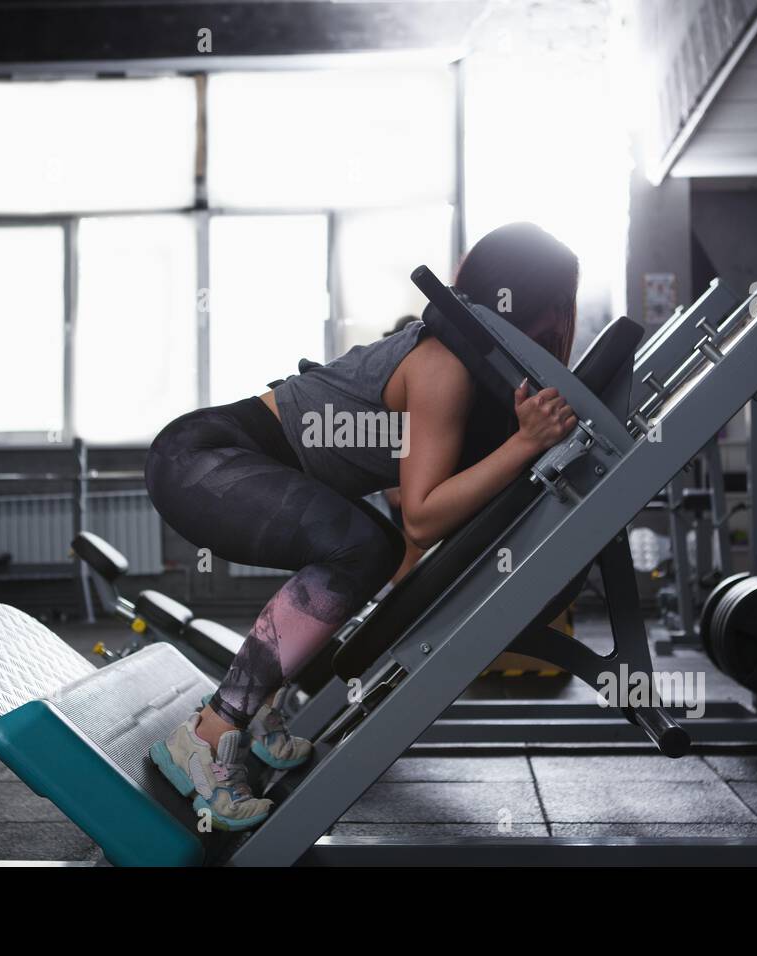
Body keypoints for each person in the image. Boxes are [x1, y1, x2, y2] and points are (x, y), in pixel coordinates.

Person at [144, 222, 580, 829]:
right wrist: (527, 443)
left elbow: (409, 506)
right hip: (202, 461)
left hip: (218, 463)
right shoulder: (444, 365)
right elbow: (425, 517)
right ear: (544, 306)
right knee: (359, 547)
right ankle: (207, 733)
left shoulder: (465, 369)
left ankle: (258, 705)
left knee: (362, 548)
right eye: (564, 308)